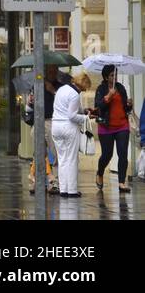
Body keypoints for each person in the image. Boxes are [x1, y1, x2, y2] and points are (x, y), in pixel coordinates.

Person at [93, 64, 133, 193]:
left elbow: (126, 108)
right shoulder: (101, 89)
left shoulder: (120, 88)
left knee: (123, 154)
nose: (114, 77)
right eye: (112, 75)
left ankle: (121, 182)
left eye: (116, 74)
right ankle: (100, 172)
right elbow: (98, 107)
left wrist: (129, 104)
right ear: (106, 77)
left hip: (122, 126)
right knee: (107, 155)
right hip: (106, 127)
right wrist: (108, 97)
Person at [50, 71, 89, 197]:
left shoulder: (61, 89)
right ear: (82, 85)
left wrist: (82, 111)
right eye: (84, 88)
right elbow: (72, 116)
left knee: (62, 159)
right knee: (72, 159)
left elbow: (64, 109)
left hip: (55, 126)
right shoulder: (74, 95)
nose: (83, 91)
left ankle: (63, 189)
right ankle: (71, 190)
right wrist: (85, 118)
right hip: (68, 128)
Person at [26, 67, 59, 194]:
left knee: (55, 152)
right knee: (39, 153)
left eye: (54, 71)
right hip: (37, 121)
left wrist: (53, 91)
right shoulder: (36, 85)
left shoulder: (59, 87)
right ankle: (39, 181)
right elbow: (28, 108)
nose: (53, 73)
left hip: (52, 121)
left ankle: (54, 181)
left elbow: (62, 103)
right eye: (50, 71)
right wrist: (29, 102)